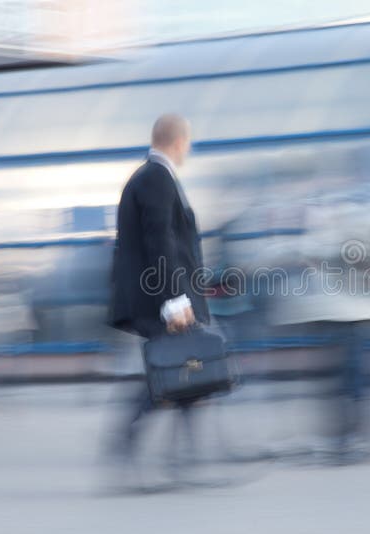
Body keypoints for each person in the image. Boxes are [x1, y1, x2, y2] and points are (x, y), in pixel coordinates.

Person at [108, 114, 210, 465]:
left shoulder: (148, 176)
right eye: (188, 142)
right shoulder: (156, 177)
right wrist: (175, 300)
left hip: (158, 295)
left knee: (184, 372)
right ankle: (127, 442)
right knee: (172, 373)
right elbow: (161, 243)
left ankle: (184, 455)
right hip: (160, 299)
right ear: (179, 141)